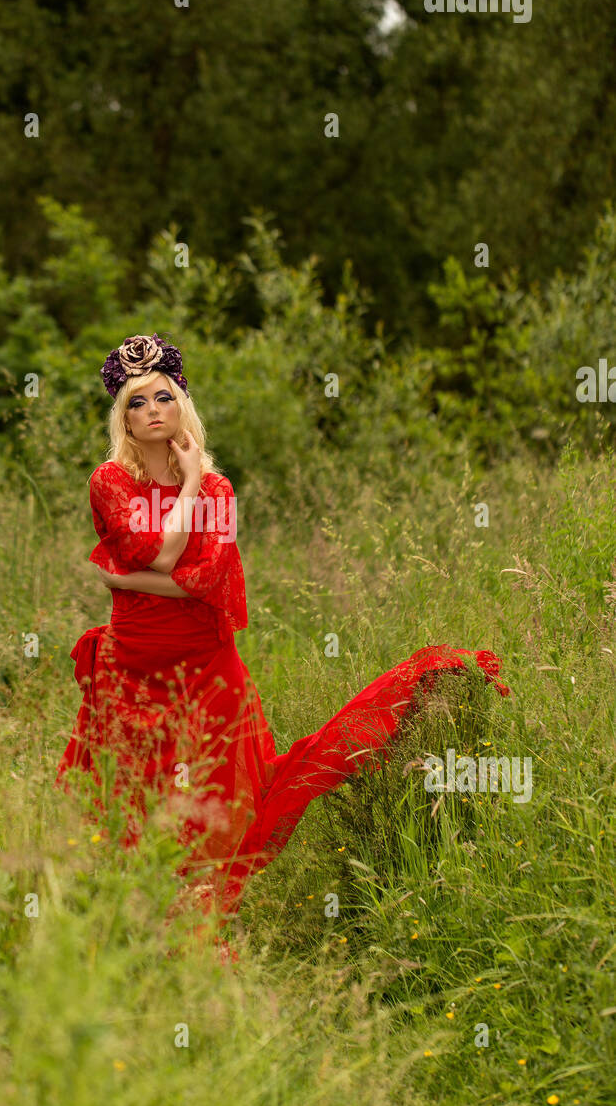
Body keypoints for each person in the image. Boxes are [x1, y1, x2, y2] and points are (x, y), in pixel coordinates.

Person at [57, 334, 510, 923]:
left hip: (207, 670)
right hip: (135, 668)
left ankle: (199, 926)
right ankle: (137, 920)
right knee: (136, 800)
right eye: (136, 402)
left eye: (162, 397)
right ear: (123, 415)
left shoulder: (217, 489)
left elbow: (206, 578)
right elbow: (167, 557)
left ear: (181, 405)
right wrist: (160, 552)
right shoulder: (110, 482)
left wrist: (130, 574)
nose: (151, 411)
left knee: (218, 804)